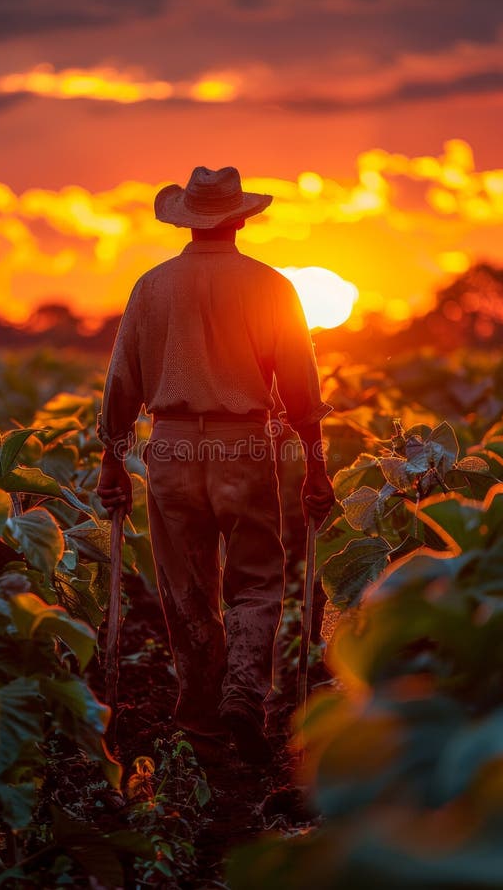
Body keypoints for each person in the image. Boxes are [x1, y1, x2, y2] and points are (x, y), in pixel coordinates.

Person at [96, 166, 335, 766]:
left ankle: (201, 722)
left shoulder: (150, 287)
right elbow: (303, 392)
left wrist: (113, 462)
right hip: (244, 446)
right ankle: (244, 696)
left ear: (187, 219)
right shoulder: (272, 286)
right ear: (239, 219)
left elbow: (121, 383)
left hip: (171, 448)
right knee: (256, 580)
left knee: (186, 590)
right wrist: (316, 467)